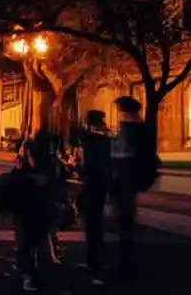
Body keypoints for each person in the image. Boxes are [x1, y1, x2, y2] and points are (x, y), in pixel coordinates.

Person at [13, 129, 65, 292]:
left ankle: (30, 274)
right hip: (33, 208)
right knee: (29, 242)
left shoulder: (36, 165)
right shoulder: (47, 164)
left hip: (35, 208)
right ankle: (29, 274)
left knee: (31, 241)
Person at [112, 96, 157, 282]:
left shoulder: (132, 131)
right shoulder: (131, 131)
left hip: (125, 182)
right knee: (124, 224)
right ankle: (125, 264)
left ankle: (127, 267)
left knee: (125, 224)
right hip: (123, 182)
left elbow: (131, 157)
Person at [76, 110, 111, 285]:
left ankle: (96, 266)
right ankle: (94, 263)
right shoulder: (107, 141)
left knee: (92, 225)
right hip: (101, 185)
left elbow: (86, 164)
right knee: (95, 225)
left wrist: (77, 168)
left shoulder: (89, 141)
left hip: (91, 185)